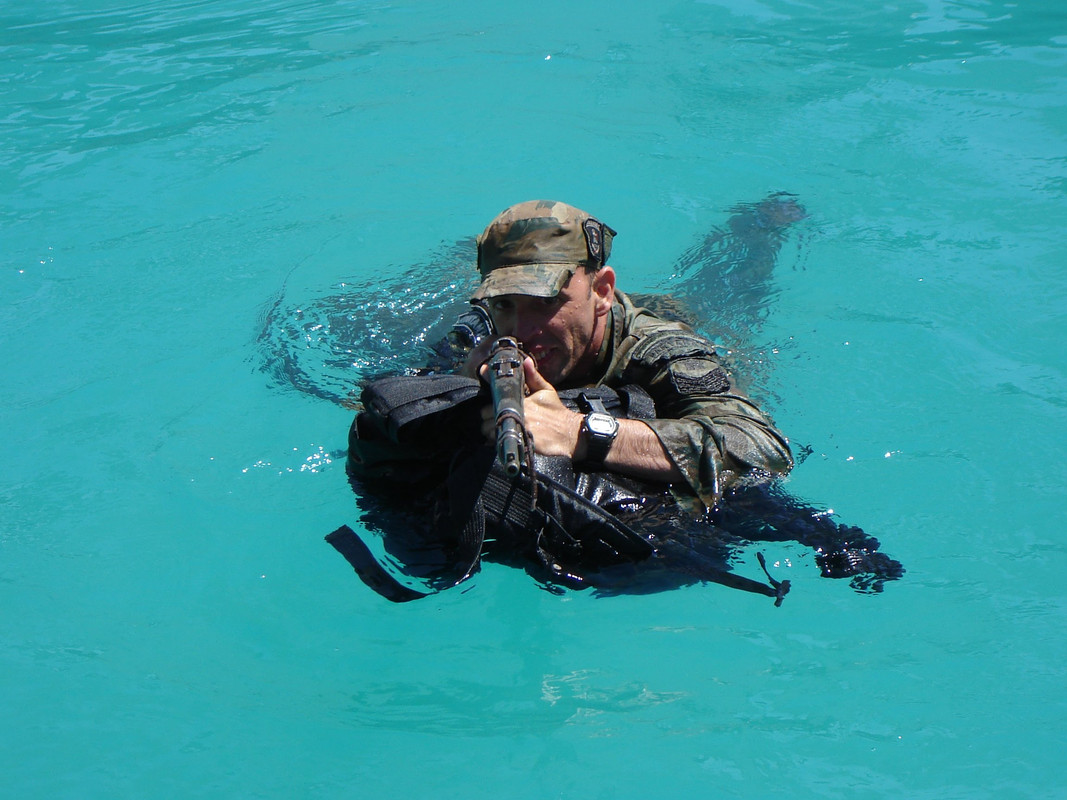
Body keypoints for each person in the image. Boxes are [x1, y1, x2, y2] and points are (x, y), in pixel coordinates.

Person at [460, 199, 793, 510]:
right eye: (504, 303)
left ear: (601, 291)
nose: (523, 331)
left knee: (731, 284)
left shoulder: (660, 350)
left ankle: (762, 224)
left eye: (546, 302)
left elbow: (762, 449)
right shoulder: (482, 339)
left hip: (705, 316)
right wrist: (460, 393)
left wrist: (578, 432)